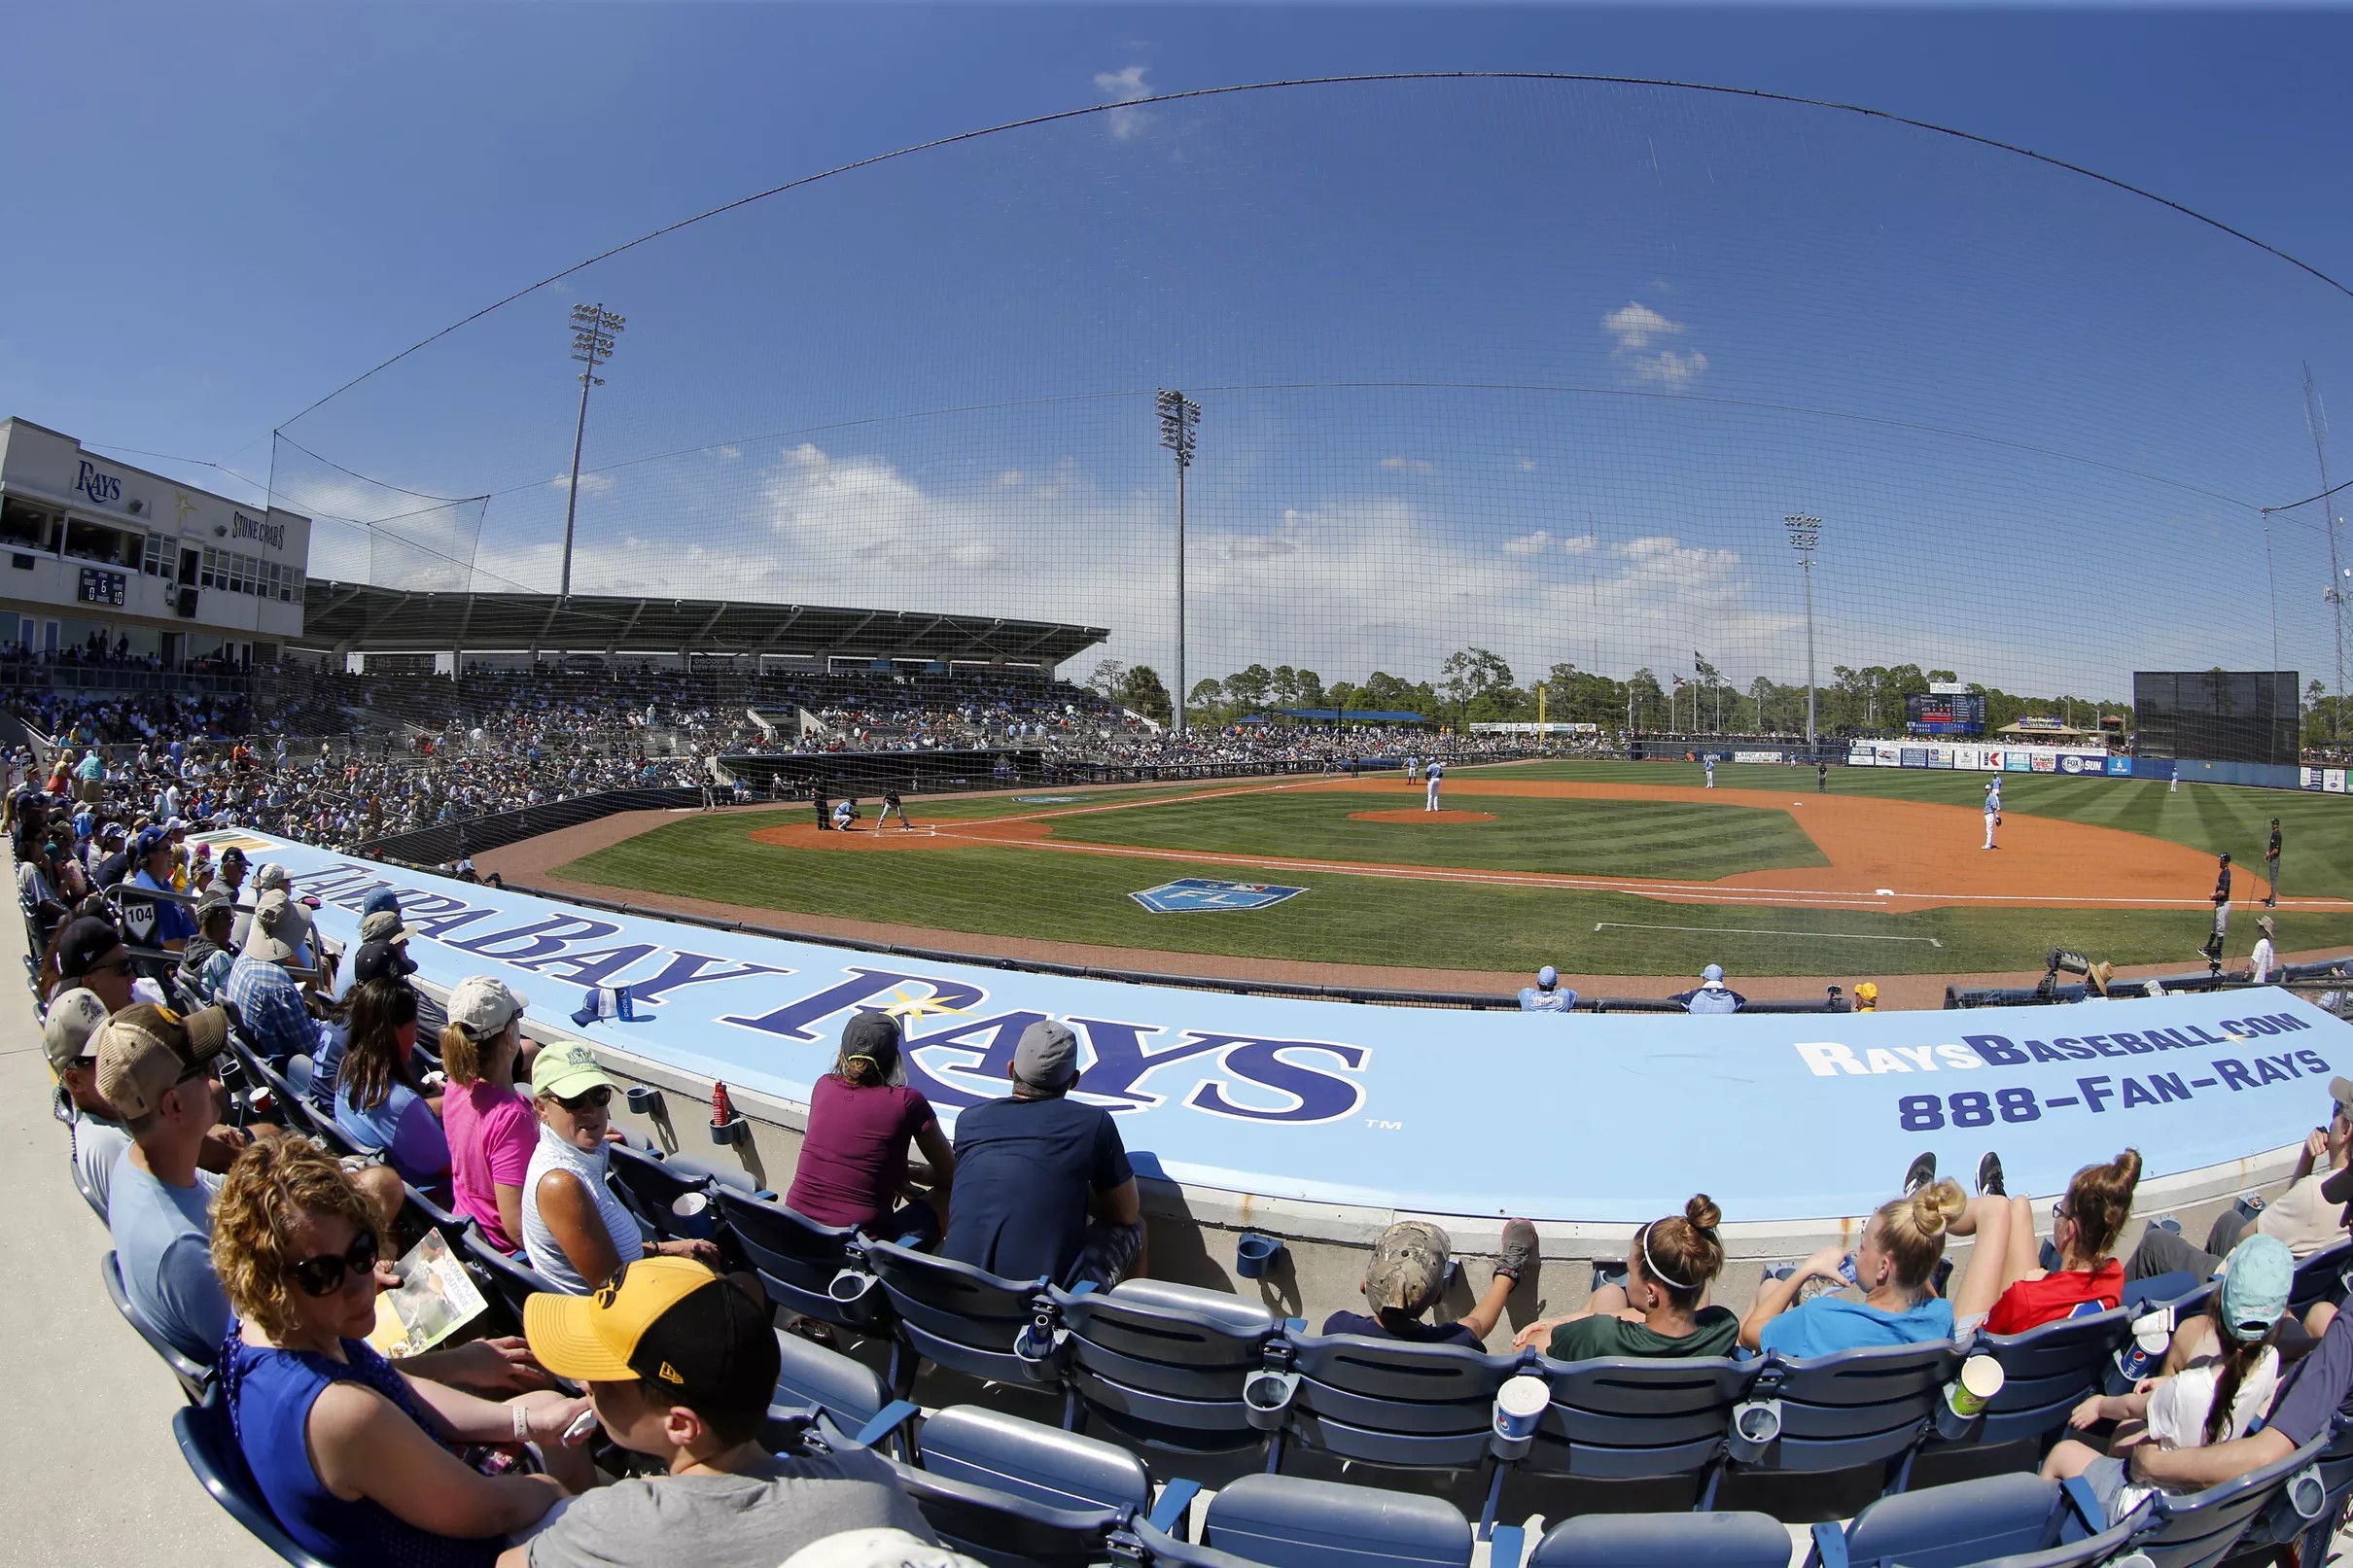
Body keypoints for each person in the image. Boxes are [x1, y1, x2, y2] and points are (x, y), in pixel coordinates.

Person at [213, 1139, 593, 1568]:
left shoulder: (264, 1323)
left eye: (360, 1252)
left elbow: (395, 1385)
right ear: (269, 1284)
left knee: (550, 1412)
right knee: (580, 1522)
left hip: (398, 1501)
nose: (359, 1284)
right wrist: (565, 1502)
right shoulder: (341, 1411)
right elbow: (488, 1510)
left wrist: (526, 1421)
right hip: (449, 1549)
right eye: (321, 1274)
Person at [505, 1257, 936, 1568]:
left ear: (681, 1425)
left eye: (600, 1380)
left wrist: (555, 1486)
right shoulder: (870, 1484)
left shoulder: (611, 1522)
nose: (583, 1384)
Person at [2042, 1234, 2290, 1527]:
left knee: (2062, 1453)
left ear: (2216, 1310)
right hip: (2191, 1503)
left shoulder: (2186, 1389)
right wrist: (2170, 1387)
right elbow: (2215, 1384)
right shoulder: (2269, 1360)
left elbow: (2130, 1408)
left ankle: (2042, 1537)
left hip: (2144, 1508)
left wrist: (2097, 1405)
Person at [939, 1020, 1145, 1288]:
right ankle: (1129, 1324)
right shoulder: (1094, 1123)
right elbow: (1126, 1213)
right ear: (1074, 1081)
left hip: (951, 1299)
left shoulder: (969, 1120)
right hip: (1040, 1309)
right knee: (1136, 1227)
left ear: (1011, 1069)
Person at [99, 1001, 237, 1361]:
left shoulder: (135, 1166)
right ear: (174, 1106)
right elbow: (265, 1359)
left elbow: (222, 1195)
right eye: (203, 1070)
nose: (213, 1081)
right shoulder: (183, 1250)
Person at [523, 1042, 720, 1289]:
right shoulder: (561, 1185)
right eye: (574, 1101)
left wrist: (665, 1249)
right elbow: (613, 1286)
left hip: (626, 1290)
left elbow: (610, 1257)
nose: (591, 1111)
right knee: (736, 1287)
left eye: (599, 1096)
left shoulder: (579, 1158)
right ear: (541, 1107)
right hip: (612, 1315)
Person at [2127, 1080, 2353, 1281]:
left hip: (2243, 1284)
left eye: (2335, 1112)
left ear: (2345, 1131)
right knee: (2229, 1220)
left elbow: (2246, 1237)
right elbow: (2289, 1214)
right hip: (2300, 1280)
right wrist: (2307, 1157)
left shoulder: (2316, 1192)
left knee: (2155, 1243)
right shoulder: (2333, 1197)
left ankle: (2107, 1316)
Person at [1741, 1178, 1966, 1355]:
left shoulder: (1817, 1319)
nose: (1856, 1255)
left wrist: (1807, 1269)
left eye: (1862, 1247)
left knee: (1770, 1288)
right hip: (1898, 1411)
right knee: (1773, 1288)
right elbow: (1931, 1301)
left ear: (1882, 1268)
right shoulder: (1940, 1317)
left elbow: (1749, 1334)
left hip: (1819, 1411)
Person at [785, 1012, 956, 1244]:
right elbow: (952, 1176)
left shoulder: (823, 1085)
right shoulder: (907, 1102)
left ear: (843, 1055)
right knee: (948, 1197)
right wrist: (905, 1174)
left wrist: (891, 1176)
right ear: (896, 1059)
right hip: (856, 1250)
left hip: (795, 1233)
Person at [1946, 1149, 2141, 1335]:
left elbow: (1980, 1333)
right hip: (2045, 1339)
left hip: (1976, 1356)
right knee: (2019, 1206)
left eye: (2060, 1211)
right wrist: (2044, 1284)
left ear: (2069, 1230)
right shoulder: (2113, 1277)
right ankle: (1997, 1204)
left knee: (1993, 1210)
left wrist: (2031, 1288)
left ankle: (1925, 1212)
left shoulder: (2024, 1298)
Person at [1515, 1196, 1735, 1360]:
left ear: (1651, 1293)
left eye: (1630, 1272)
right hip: (1682, 1420)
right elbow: (1683, 1316)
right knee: (1611, 1293)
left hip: (1603, 1420)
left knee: (1608, 1294)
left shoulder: (1598, 1335)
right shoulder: (1724, 1328)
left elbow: (1522, 1349)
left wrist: (1573, 1319)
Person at [1322, 1219, 1538, 1348]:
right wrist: (1506, 1277)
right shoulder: (1455, 1344)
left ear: (1364, 1286)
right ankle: (1507, 1273)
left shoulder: (1338, 1329)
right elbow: (1477, 1323)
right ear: (1438, 1297)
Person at [441, 976, 540, 1256]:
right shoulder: (511, 1119)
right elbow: (516, 1227)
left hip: (470, 1230)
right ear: (509, 1037)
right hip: (507, 1255)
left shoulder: (456, 1085)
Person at [334, 978, 451, 1189]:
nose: (415, 1038)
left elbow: (405, 1119)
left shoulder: (348, 1069)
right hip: (433, 1196)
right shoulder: (399, 1101)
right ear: (394, 1031)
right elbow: (448, 1165)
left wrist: (452, 1100)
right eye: (414, 1028)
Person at [225, 889, 333, 1066]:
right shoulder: (277, 985)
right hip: (286, 1065)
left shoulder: (244, 957)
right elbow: (312, 1045)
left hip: (261, 1056)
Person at [48, 987, 131, 1215]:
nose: (122, 1058)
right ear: (74, 1080)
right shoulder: (113, 1147)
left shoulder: (112, 1117)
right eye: (105, 1054)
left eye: (117, 1043)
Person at [124, 826, 196, 955]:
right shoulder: (154, 894)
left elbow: (184, 906)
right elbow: (172, 944)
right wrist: (204, 946)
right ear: (150, 855)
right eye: (167, 850)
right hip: (184, 959)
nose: (172, 854)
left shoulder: (157, 880)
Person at [174, 883, 238, 1005]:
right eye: (230, 921)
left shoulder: (190, 949)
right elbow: (239, 1000)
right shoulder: (219, 958)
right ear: (220, 918)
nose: (231, 928)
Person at [1672, 963, 1746, 1016]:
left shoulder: (1693, 996)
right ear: (1721, 979)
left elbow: (1670, 1000)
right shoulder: (1734, 997)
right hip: (1724, 1034)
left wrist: (1683, 994)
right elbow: (1744, 1002)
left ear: (1705, 979)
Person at [2202, 853, 2232, 963]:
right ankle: (2207, 949)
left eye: (2221, 860)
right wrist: (2215, 894)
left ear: (2225, 861)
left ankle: (2218, 956)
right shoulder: (2223, 873)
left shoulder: (2226, 874)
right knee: (2215, 928)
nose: (2219, 861)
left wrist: (2214, 896)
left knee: (2220, 931)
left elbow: (2223, 892)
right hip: (2219, 905)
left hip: (2223, 905)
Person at [2250, 915, 2278, 985]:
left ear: (2265, 931)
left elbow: (2253, 969)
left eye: (2261, 927)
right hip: (2263, 983)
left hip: (2254, 982)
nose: (2258, 929)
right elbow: (2270, 969)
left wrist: (2248, 973)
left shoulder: (2259, 944)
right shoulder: (2270, 945)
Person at [2265, 817, 2282, 907]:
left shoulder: (2277, 835)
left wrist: (2268, 855)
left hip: (2275, 859)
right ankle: (2272, 897)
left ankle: (2273, 901)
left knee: (2273, 880)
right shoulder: (2274, 834)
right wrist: (2269, 853)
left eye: (2273, 823)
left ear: (2276, 824)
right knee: (2273, 879)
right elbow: (2272, 847)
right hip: (2273, 858)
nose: (2272, 825)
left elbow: (2276, 850)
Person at [1983, 779, 2001, 851]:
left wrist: (1996, 816)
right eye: (1985, 789)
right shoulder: (1990, 797)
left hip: (1989, 815)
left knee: (1989, 830)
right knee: (1990, 830)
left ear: (1990, 790)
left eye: (1986, 789)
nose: (1985, 791)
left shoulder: (1991, 797)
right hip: (1989, 815)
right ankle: (1990, 843)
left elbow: (1994, 807)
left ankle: (1988, 845)